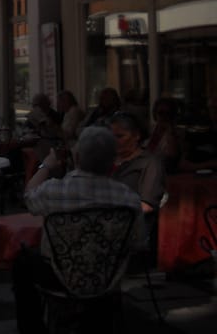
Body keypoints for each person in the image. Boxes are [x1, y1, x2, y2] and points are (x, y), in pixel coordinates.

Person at [12, 126, 145, 334]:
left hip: (59, 278)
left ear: (77, 156)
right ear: (113, 160)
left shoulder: (55, 191)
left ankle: (32, 328)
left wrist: (45, 166)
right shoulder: (128, 198)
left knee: (22, 260)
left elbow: (29, 196)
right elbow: (137, 243)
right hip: (106, 279)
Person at [109, 111, 166, 214]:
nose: (114, 141)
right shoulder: (106, 159)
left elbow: (147, 205)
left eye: (120, 136)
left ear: (136, 135)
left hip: (132, 223)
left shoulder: (150, 163)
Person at [146, 97, 181, 173]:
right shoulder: (149, 129)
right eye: (161, 113)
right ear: (155, 113)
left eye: (168, 113)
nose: (164, 116)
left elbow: (172, 155)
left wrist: (169, 130)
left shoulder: (177, 133)